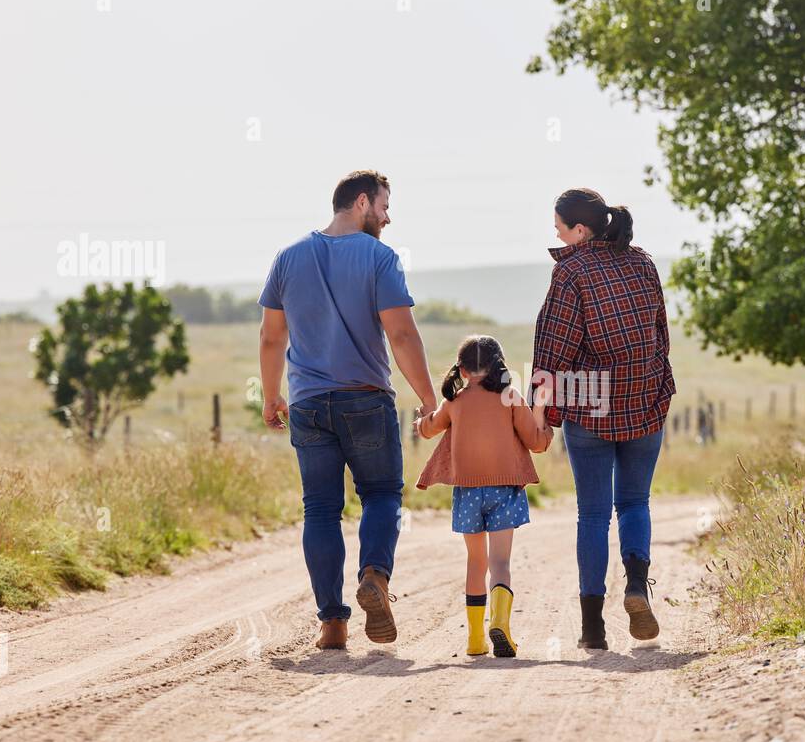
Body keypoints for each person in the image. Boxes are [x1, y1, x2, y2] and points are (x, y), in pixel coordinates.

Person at [258, 170, 439, 650]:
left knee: (320, 509)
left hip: (308, 404)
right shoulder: (380, 257)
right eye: (384, 205)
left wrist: (271, 395)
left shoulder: (288, 258)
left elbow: (272, 336)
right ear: (362, 203)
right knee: (381, 496)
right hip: (366, 400)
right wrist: (427, 396)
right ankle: (375, 577)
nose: (387, 215)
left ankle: (332, 624)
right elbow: (401, 334)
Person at [531, 187, 676, 649]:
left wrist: (543, 414)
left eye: (558, 228)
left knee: (592, 514)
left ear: (579, 229)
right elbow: (659, 333)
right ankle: (636, 584)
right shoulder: (643, 263)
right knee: (635, 503)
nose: (556, 235)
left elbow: (554, 349)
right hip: (644, 400)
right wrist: (652, 383)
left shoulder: (571, 272)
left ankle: (593, 629)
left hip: (592, 407)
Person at [414, 336, 552, 657]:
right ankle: (500, 624)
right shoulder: (510, 396)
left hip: (467, 493)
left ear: (461, 370)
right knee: (500, 562)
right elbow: (536, 442)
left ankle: (475, 639)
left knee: (476, 563)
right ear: (498, 365)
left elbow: (430, 427)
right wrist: (541, 413)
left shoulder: (455, 401)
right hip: (505, 489)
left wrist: (421, 419)